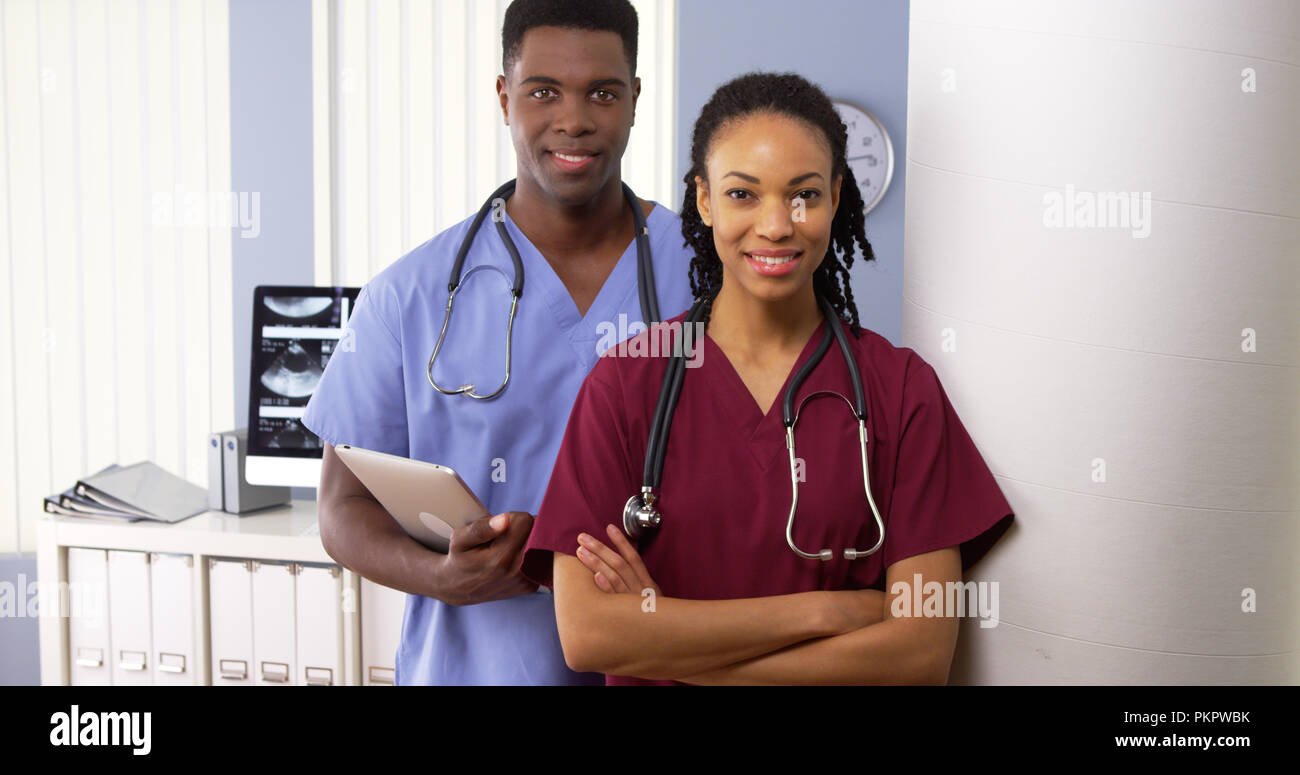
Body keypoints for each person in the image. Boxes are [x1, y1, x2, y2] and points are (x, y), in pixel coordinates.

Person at [520, 72, 1015, 685]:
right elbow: (591, 635)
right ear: (704, 200)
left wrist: (668, 644)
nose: (778, 225)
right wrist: (829, 610)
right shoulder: (626, 384)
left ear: (835, 196)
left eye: (804, 194)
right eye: (743, 195)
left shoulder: (900, 389)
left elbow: (919, 654)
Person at [300, 0, 694, 685]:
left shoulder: (707, 278)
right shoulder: (410, 295)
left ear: (635, 101)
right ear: (504, 96)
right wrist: (440, 575)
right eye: (544, 92)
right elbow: (340, 509)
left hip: (664, 662)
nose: (573, 120)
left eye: (602, 92)